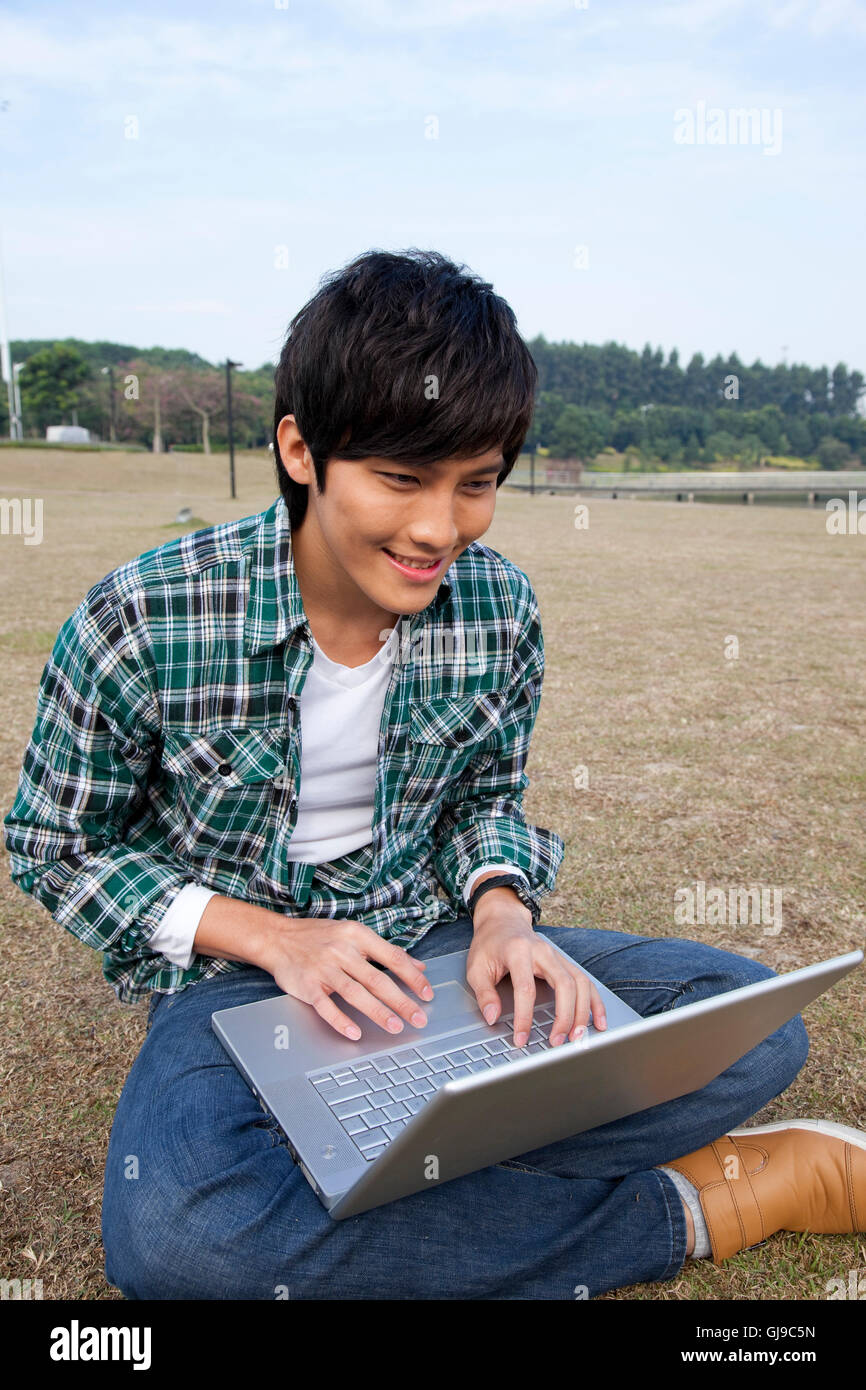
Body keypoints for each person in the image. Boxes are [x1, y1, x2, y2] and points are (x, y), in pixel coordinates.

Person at [4, 249, 864, 1301]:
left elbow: (481, 801)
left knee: (752, 1025)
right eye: (401, 479)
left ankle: (380, 1176)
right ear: (299, 448)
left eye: (475, 485)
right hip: (231, 985)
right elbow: (55, 845)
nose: (435, 530)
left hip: (437, 950)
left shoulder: (498, 606)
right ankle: (696, 1202)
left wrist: (502, 910)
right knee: (185, 1246)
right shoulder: (141, 614)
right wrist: (274, 936)